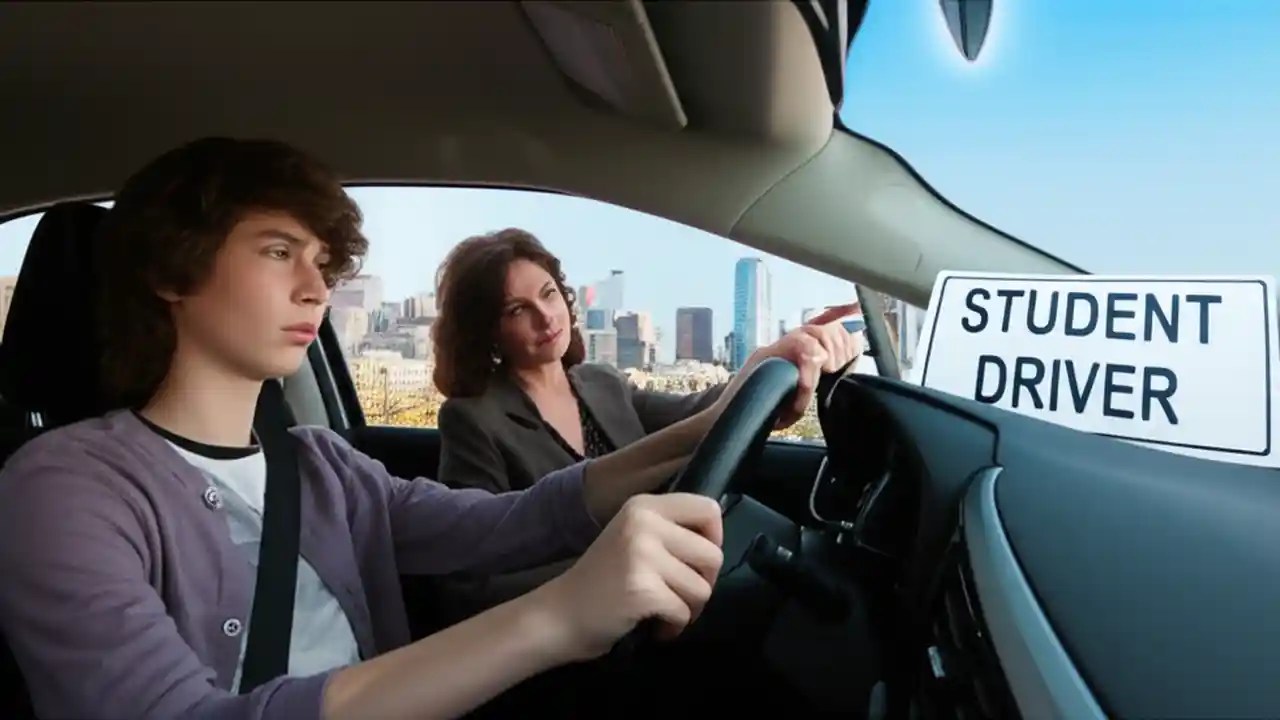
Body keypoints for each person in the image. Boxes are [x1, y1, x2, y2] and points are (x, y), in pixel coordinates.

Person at [0, 137, 847, 720]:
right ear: (171, 273)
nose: (314, 288)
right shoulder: (62, 487)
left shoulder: (324, 464)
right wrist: (557, 618)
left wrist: (741, 397)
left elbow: (519, 520)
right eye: (275, 252)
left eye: (323, 265)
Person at [427, 228, 862, 617]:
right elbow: (472, 581)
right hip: (586, 628)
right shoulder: (473, 418)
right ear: (488, 332)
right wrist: (598, 581)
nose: (545, 317)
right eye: (517, 310)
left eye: (548, 293)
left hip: (667, 591)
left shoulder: (600, 382)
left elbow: (700, 415)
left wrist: (772, 358)